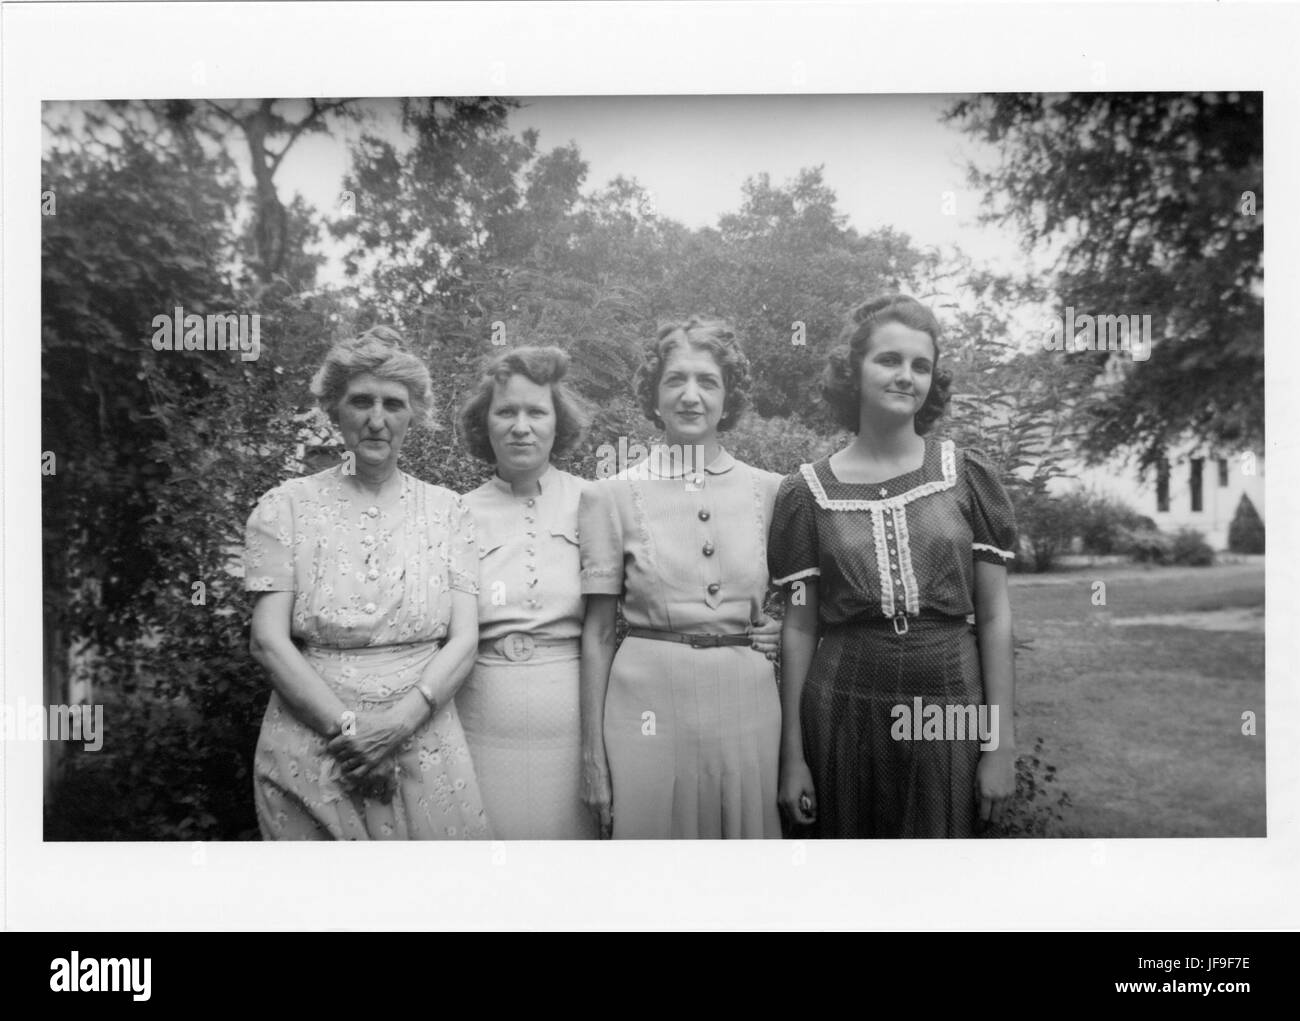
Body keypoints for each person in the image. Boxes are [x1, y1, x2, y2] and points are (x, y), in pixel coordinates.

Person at [769, 295, 1018, 838]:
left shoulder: (964, 474)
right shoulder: (805, 492)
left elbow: (995, 617)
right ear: (852, 370)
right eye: (889, 360)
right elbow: (799, 626)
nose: (906, 376)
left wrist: (1000, 741)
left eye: (920, 366)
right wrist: (792, 757)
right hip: (842, 701)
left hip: (950, 697)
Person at [244, 326, 489, 840]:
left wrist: (396, 728)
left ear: (413, 415)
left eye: (394, 404)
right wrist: (353, 734)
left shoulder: (450, 513)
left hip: (424, 738)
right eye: (361, 402)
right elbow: (268, 640)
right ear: (334, 409)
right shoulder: (284, 508)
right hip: (316, 742)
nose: (377, 420)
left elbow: (465, 639)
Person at [578, 317, 783, 839]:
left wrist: (785, 628)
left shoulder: (774, 492)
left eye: (708, 382)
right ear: (654, 393)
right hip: (645, 711)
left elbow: (812, 605)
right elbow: (599, 633)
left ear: (728, 395)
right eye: (675, 380)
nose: (691, 396)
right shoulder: (611, 496)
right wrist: (592, 758)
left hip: (747, 707)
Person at [455, 346, 598, 839]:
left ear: (558, 423)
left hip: (572, 719)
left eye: (536, 411)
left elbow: (652, 595)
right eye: (506, 411)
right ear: (485, 422)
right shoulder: (454, 513)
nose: (521, 426)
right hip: (482, 721)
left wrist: (760, 627)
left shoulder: (595, 503)